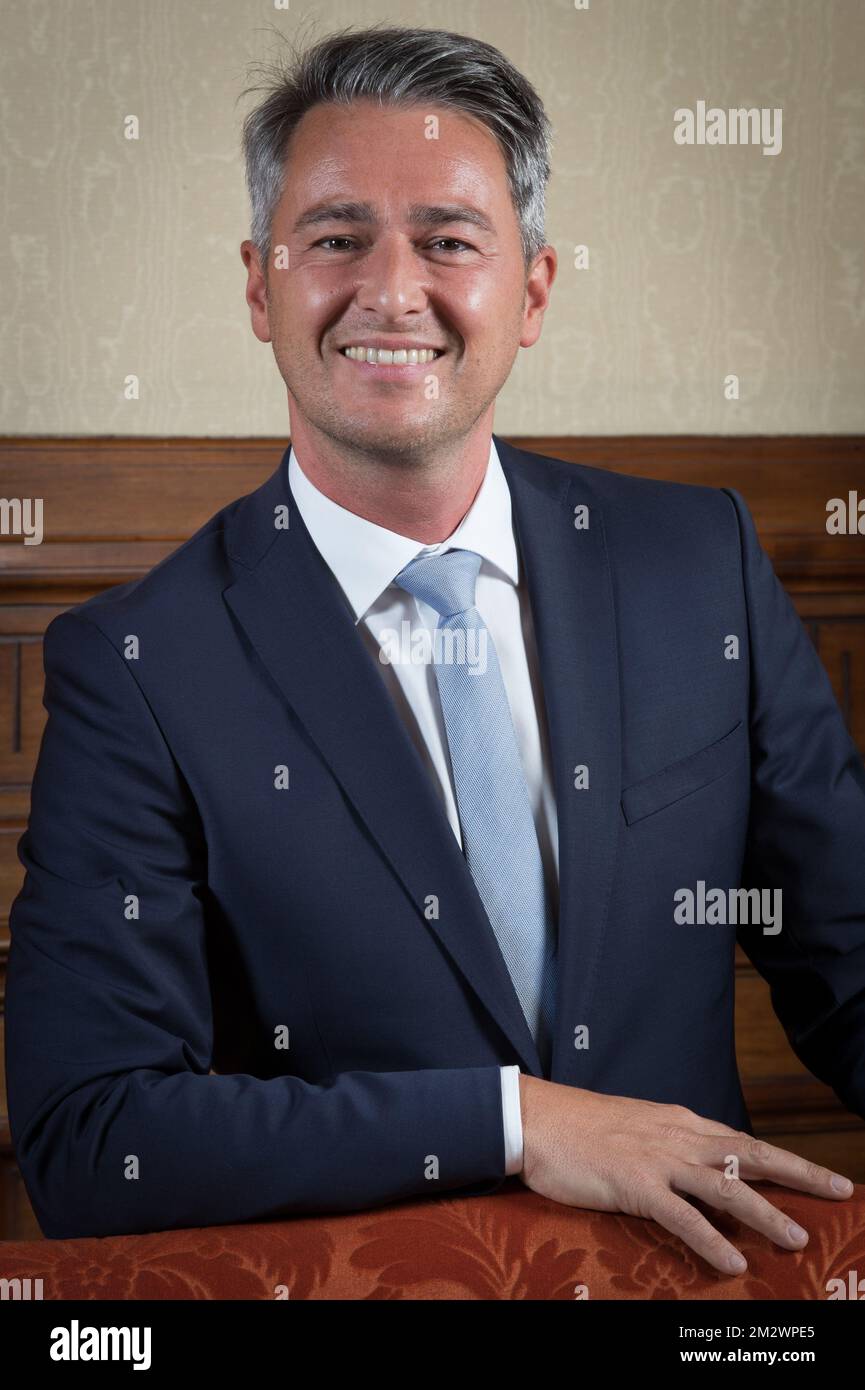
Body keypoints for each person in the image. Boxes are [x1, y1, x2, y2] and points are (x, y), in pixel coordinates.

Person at [6, 25, 864, 1278]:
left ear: (534, 290)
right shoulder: (135, 664)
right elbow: (93, 1140)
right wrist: (513, 1121)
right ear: (260, 285)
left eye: (449, 239)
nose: (391, 290)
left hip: (706, 1303)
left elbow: (846, 958)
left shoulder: (700, 560)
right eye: (337, 236)